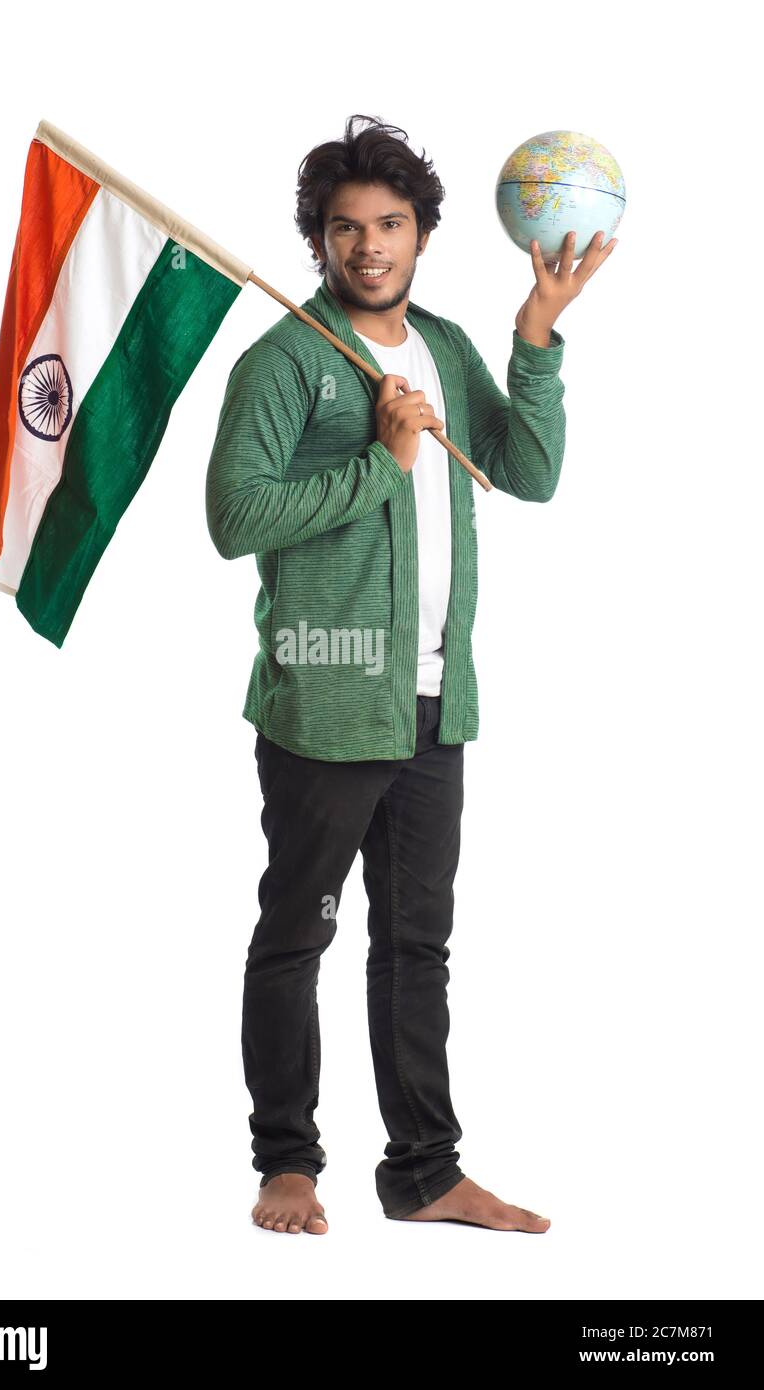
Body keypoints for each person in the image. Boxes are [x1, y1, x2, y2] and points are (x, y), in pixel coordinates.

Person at [205, 114, 617, 1236]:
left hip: (437, 701)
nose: (368, 246)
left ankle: (424, 1173)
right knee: (299, 932)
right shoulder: (288, 358)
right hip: (325, 696)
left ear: (424, 232)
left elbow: (524, 472)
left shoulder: (440, 344)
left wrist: (534, 337)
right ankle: (286, 1160)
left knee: (417, 945)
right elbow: (233, 516)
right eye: (346, 228)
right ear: (320, 240)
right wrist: (382, 465)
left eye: (389, 224)